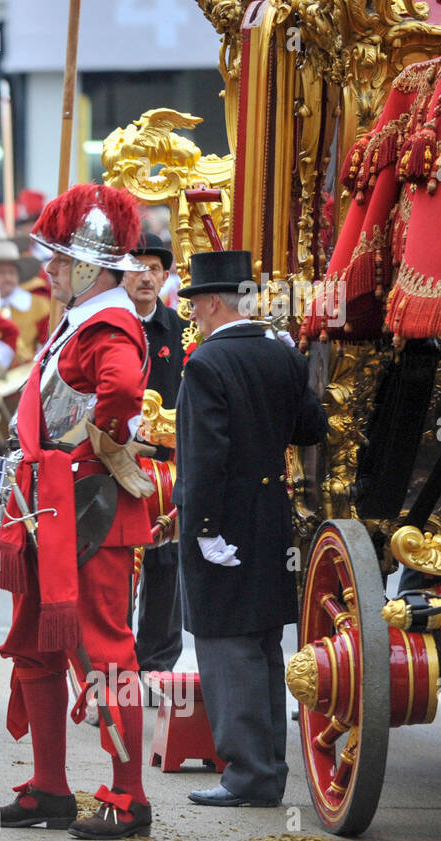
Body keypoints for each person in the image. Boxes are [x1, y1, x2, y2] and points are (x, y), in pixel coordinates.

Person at [0, 184, 157, 839]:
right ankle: (51, 787)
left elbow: (121, 392)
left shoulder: (109, 321)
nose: (46, 270)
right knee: (37, 644)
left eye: (57, 260)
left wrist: (85, 445)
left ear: (88, 263)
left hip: (88, 508)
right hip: (48, 507)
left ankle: (128, 794)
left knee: (108, 650)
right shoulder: (81, 317)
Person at [174, 249, 327, 809]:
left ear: (214, 303)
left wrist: (205, 528)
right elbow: (311, 429)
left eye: (197, 303)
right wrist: (292, 367)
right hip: (268, 516)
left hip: (225, 522)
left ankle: (248, 774)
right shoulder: (278, 355)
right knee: (263, 645)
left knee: (227, 646)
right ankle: (266, 770)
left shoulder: (207, 364)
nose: (193, 313)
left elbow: (204, 458)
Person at [123, 233, 187, 681]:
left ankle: (156, 665)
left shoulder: (183, 329)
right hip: (114, 463)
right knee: (114, 567)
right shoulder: (104, 323)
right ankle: (112, 663)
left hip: (168, 466)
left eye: (154, 268)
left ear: (165, 276)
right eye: (137, 266)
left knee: (166, 565)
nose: (146, 276)